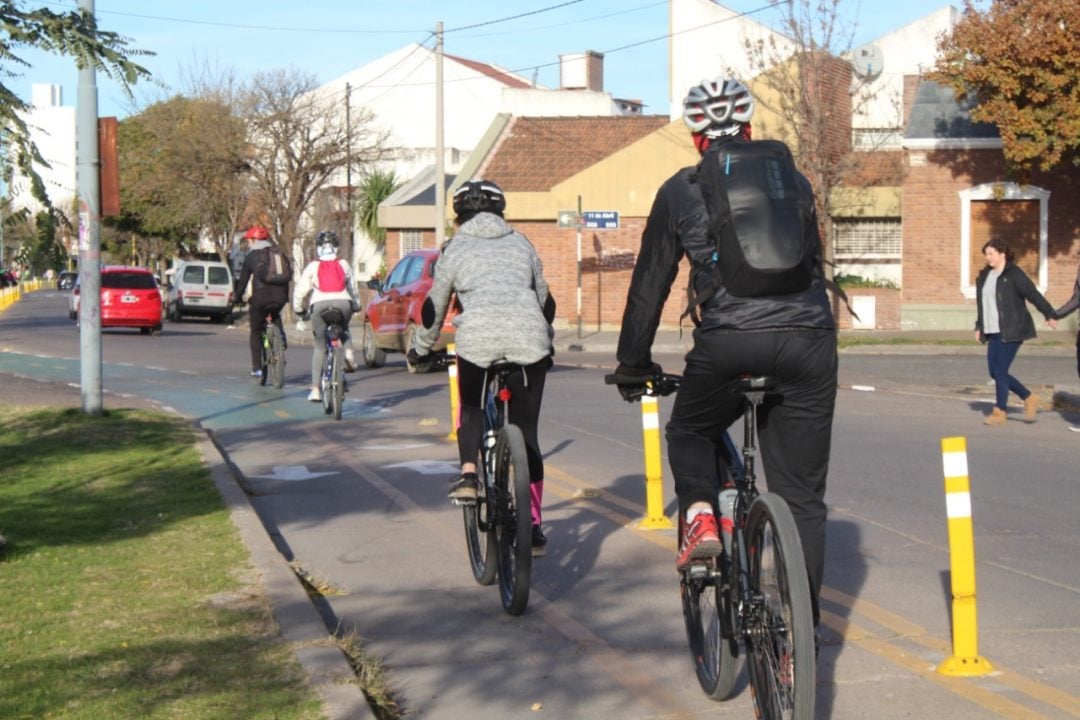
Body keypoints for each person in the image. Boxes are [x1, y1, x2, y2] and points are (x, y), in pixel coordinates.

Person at [611, 78, 837, 631]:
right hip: (809, 340)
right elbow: (812, 265)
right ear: (751, 129)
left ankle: (700, 515)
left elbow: (651, 284)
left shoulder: (679, 190)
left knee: (690, 430)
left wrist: (633, 364)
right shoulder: (794, 181)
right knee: (803, 497)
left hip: (729, 340)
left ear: (697, 139)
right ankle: (799, 638)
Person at [408, 180, 555, 557]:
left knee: (471, 407)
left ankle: (469, 476)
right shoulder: (521, 242)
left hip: (477, 339)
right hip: (528, 339)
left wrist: (419, 350)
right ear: (500, 212)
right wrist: (545, 339)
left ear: (459, 216)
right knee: (528, 434)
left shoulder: (454, 248)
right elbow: (545, 301)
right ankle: (533, 526)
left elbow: (434, 307)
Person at [974, 238, 1058, 426]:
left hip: (1012, 328)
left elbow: (1033, 294)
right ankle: (1029, 398)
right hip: (992, 330)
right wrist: (979, 326)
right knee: (995, 372)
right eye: (986, 254)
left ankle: (1000, 411)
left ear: (1002, 254)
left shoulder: (1013, 274)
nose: (988, 258)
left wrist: (1049, 314)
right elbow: (982, 304)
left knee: (1000, 371)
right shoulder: (985, 276)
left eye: (991, 254)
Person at [292, 231, 362, 402]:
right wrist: (356, 305)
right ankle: (349, 355)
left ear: (318, 248)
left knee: (320, 346)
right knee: (344, 329)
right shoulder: (344, 264)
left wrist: (299, 309)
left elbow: (300, 291)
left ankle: (316, 390)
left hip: (319, 306)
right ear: (336, 248)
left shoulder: (313, 266)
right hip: (343, 303)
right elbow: (353, 289)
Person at [236, 225, 290, 378]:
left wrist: (237, 298)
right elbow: (287, 276)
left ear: (254, 240)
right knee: (275, 313)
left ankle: (257, 368)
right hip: (280, 296)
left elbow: (243, 281)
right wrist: (285, 296)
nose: (248, 243)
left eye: (249, 240)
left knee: (256, 331)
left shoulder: (251, 256)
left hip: (260, 297)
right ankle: (281, 338)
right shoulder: (279, 253)